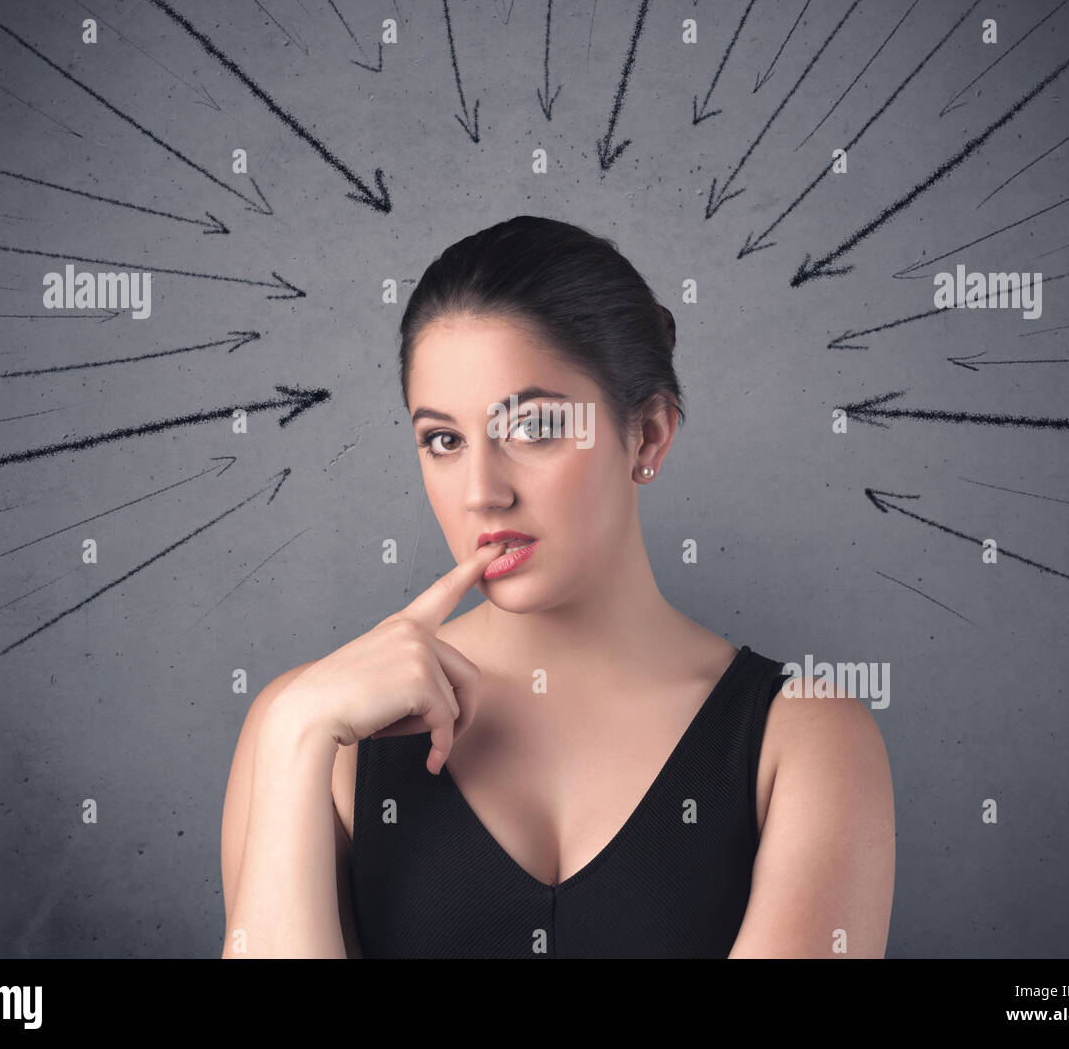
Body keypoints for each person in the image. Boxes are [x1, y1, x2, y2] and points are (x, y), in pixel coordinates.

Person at [220, 215, 894, 958]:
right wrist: (295, 732)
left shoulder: (803, 738)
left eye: (535, 428)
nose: (482, 491)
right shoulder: (309, 727)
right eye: (444, 439)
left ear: (647, 435)